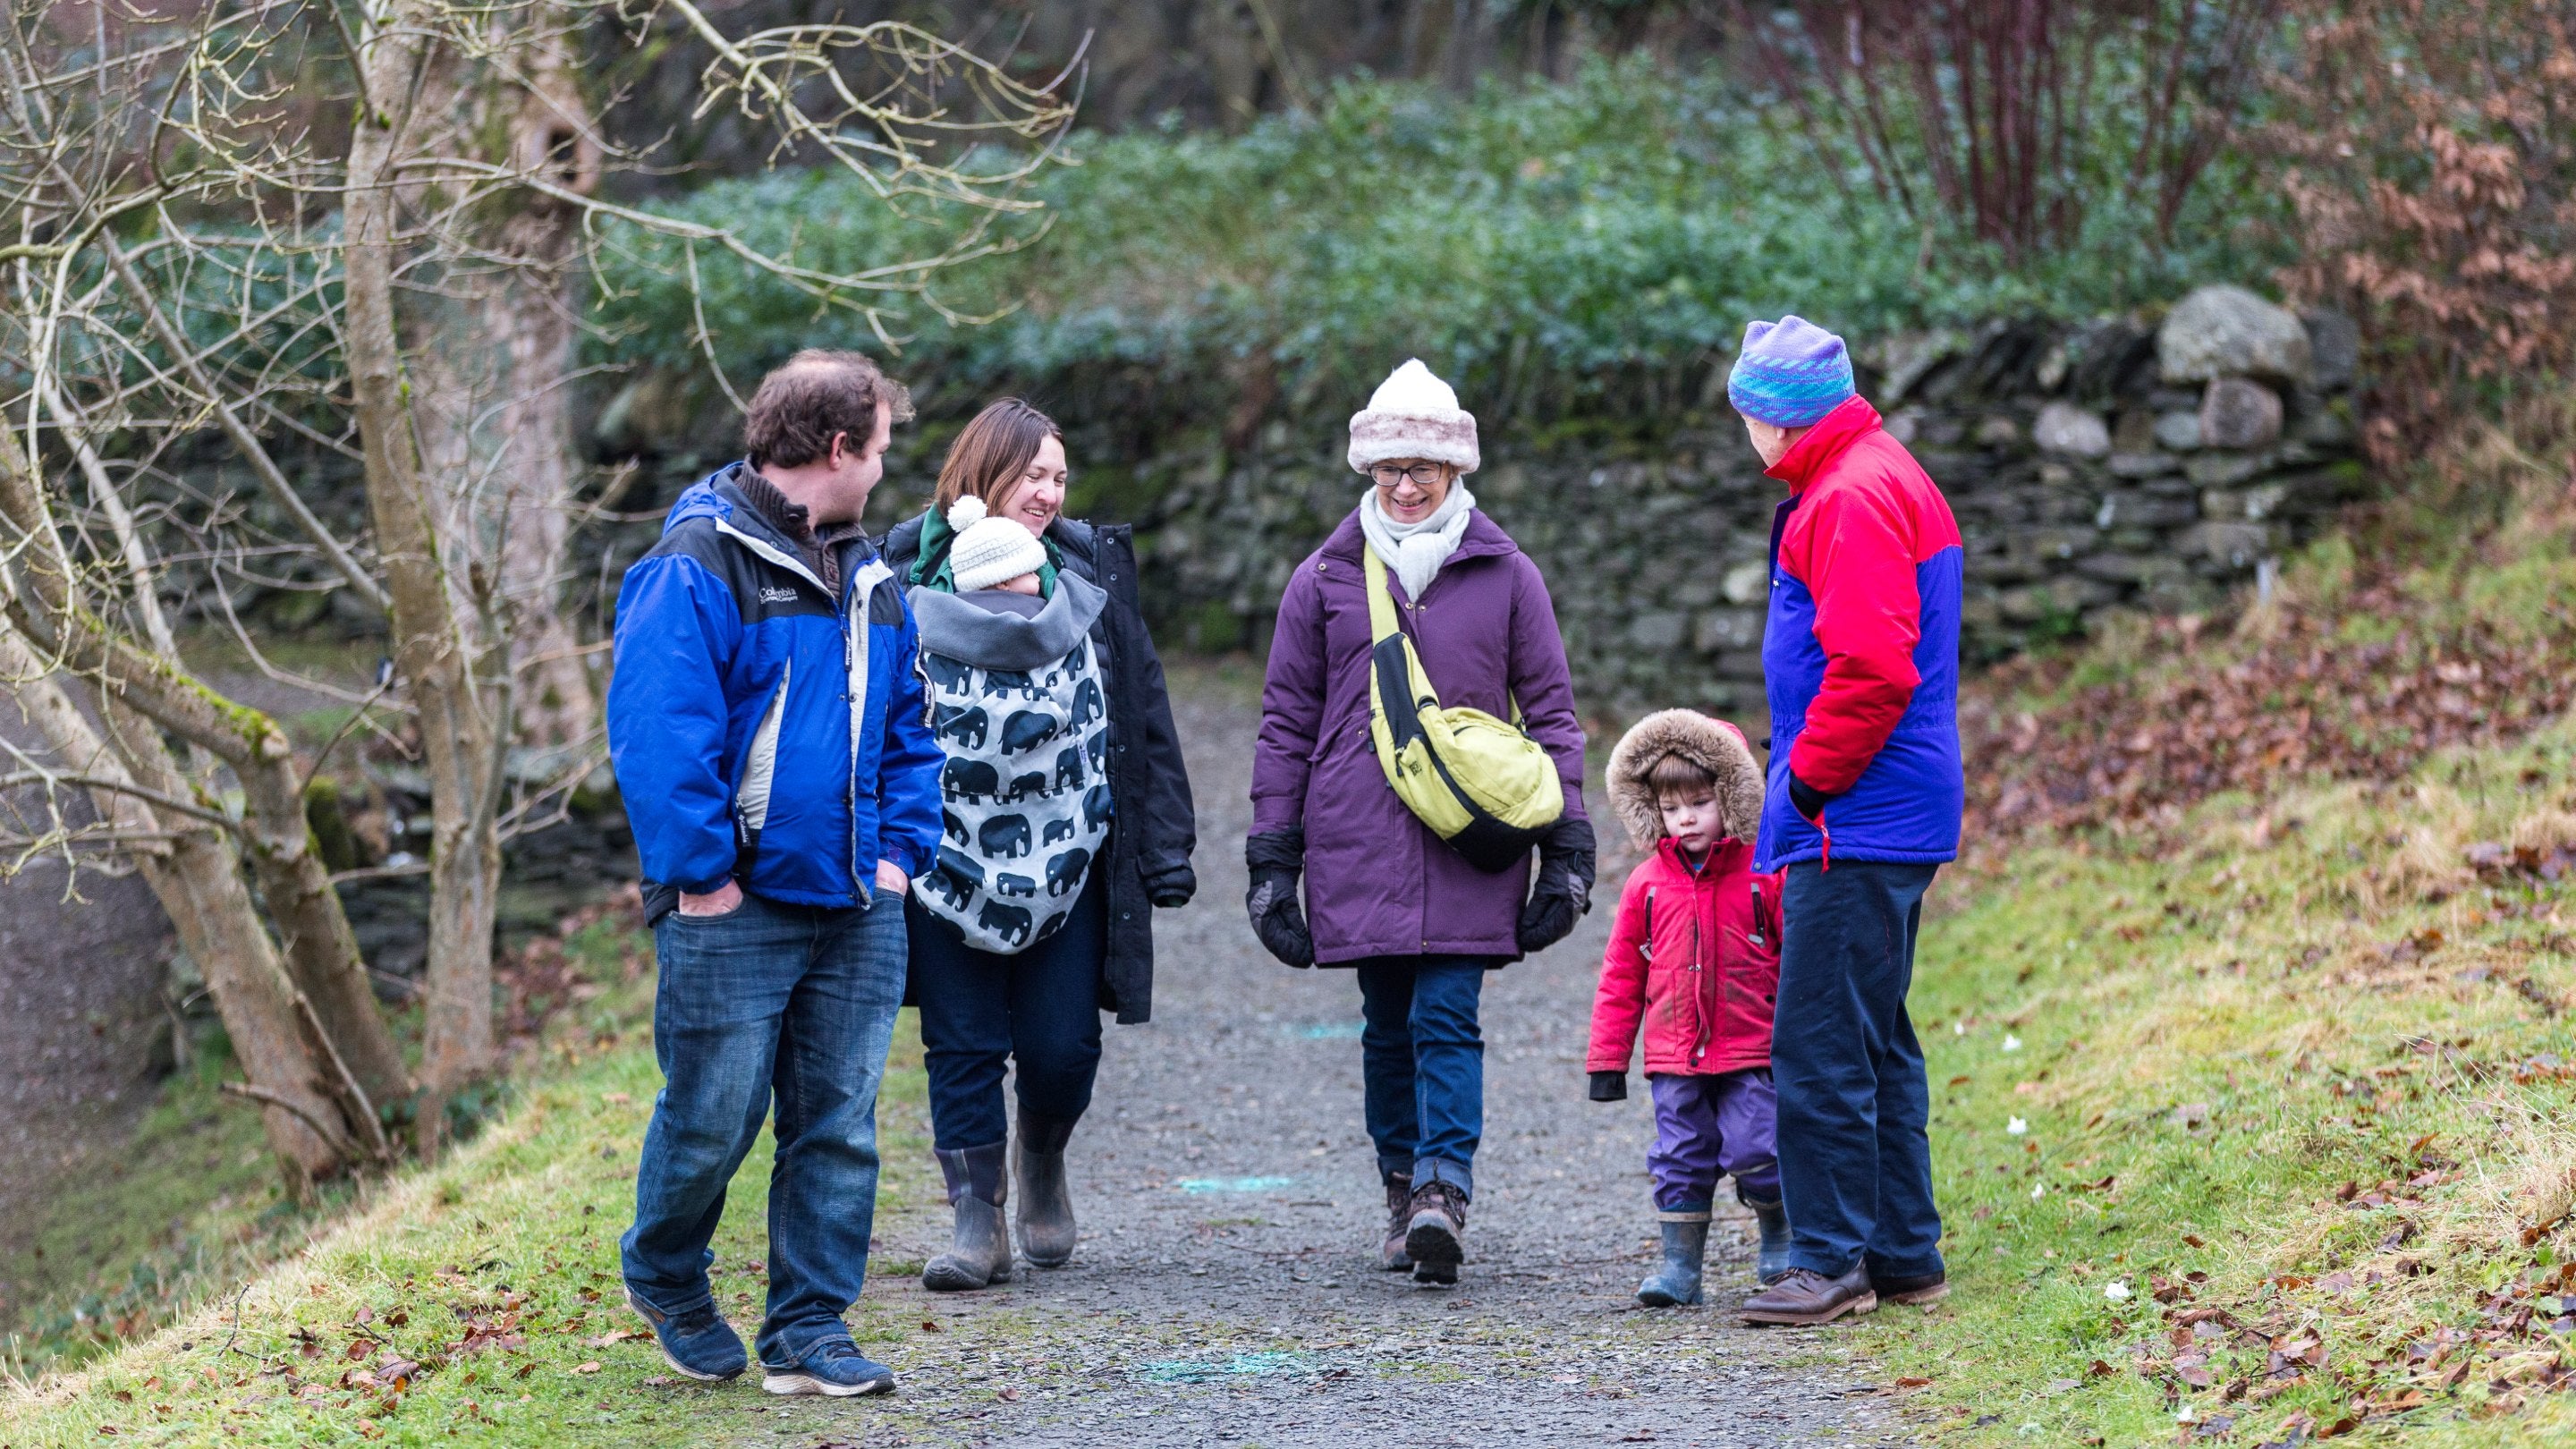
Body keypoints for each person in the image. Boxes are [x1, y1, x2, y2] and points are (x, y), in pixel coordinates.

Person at [607, 351, 945, 1394]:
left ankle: (808, 1331)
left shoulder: (874, 577)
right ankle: (666, 1274)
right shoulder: (695, 561)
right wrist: (703, 876)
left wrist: (897, 859)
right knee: (713, 1118)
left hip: (857, 899)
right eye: (879, 449)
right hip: (732, 902)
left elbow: (910, 729)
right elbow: (660, 731)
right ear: (838, 448)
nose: (884, 470)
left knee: (838, 1126)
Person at [1247, 359, 1594, 1286]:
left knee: (1446, 1014)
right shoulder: (1322, 580)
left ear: (1456, 470)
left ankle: (1444, 1191)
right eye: (1389, 469)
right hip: (1355, 837)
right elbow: (1285, 722)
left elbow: (1552, 713)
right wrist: (1272, 856)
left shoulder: (1507, 575)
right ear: (1367, 469)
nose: (1405, 487)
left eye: (1424, 470)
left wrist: (1568, 845)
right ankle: (1402, 1190)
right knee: (1386, 1024)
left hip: (1471, 841)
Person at [881, 400, 1197, 1292]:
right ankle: (976, 1221)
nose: (1051, 493)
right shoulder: (898, 572)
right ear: (983, 473)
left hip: (1072, 848)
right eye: (1033, 475)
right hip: (943, 854)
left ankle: (1043, 1154)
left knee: (1063, 1048)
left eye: (1060, 477)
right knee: (962, 1042)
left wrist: (1165, 846)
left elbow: (1140, 707)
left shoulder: (1088, 570)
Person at [1723, 316, 1965, 1328]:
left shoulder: (1849, 496)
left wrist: (1808, 788)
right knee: (1875, 1038)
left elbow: (1871, 668)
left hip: (1855, 816)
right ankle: (1903, 1253)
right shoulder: (1868, 472)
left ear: (1777, 417)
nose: (1743, 429)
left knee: (1820, 1041)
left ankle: (1826, 1261)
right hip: (1882, 810)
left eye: (1746, 410)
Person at [1588, 709, 1789, 1308]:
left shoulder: (1764, 874)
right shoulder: (1647, 886)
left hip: (1752, 1046)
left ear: (1732, 797)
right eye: (1672, 808)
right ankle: (1681, 1268)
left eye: (1701, 803)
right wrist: (1607, 1060)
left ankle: (1779, 1235)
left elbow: (1796, 958)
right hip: (1675, 1056)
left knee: (1758, 1145)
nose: (1688, 818)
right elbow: (1622, 975)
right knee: (1679, 1155)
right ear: (1653, 811)